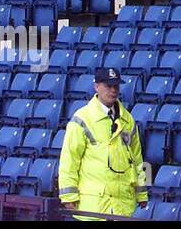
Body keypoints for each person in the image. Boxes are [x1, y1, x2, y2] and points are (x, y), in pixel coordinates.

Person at [57, 68, 148, 220]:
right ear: (96, 86)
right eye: (108, 86)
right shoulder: (82, 118)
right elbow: (70, 159)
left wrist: (142, 193)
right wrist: (68, 196)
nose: (113, 90)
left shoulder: (128, 120)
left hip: (122, 207)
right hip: (92, 207)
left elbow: (137, 160)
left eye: (116, 86)